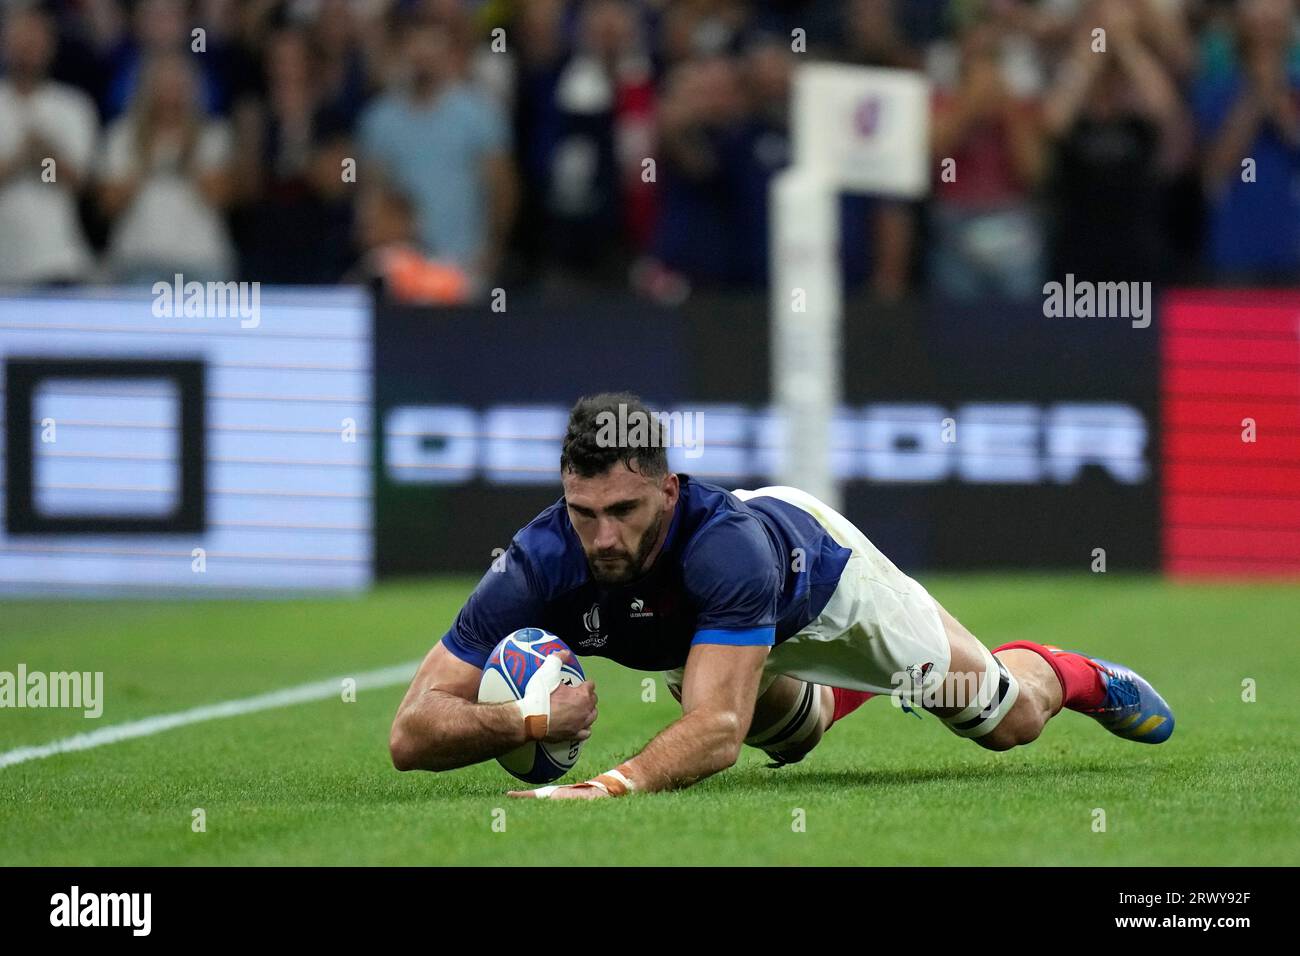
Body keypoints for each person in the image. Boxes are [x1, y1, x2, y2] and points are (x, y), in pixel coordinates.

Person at [390, 393, 1175, 799]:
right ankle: (849, 690)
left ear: (667, 489)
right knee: (792, 739)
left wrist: (606, 786)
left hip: (823, 582)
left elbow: (715, 733)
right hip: (724, 632)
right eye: (584, 513)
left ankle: (1071, 672)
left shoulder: (724, 551)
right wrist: (528, 719)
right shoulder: (537, 561)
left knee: (1006, 720)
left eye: (624, 512)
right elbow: (410, 735)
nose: (602, 538)